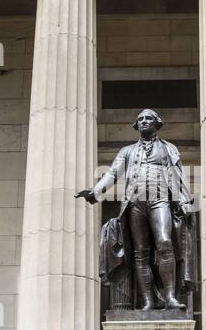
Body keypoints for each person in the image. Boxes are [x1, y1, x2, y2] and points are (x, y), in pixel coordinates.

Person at [76, 109, 196, 311]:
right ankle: (148, 301)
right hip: (135, 203)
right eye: (140, 119)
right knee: (141, 253)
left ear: (157, 123)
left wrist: (184, 200)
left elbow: (179, 176)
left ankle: (169, 298)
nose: (144, 121)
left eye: (148, 118)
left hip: (160, 201)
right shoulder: (127, 151)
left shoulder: (169, 149)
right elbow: (113, 173)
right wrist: (96, 191)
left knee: (165, 243)